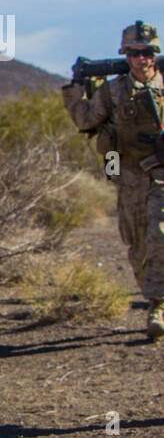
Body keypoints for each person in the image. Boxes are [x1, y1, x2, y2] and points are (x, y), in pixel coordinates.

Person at [64, 20, 164, 339]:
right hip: (130, 176)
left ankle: (159, 306)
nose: (141, 59)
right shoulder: (114, 90)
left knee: (160, 235)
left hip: (162, 175)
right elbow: (86, 120)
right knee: (137, 245)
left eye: (147, 52)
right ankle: (153, 296)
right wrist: (75, 88)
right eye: (134, 53)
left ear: (155, 54)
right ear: (126, 55)